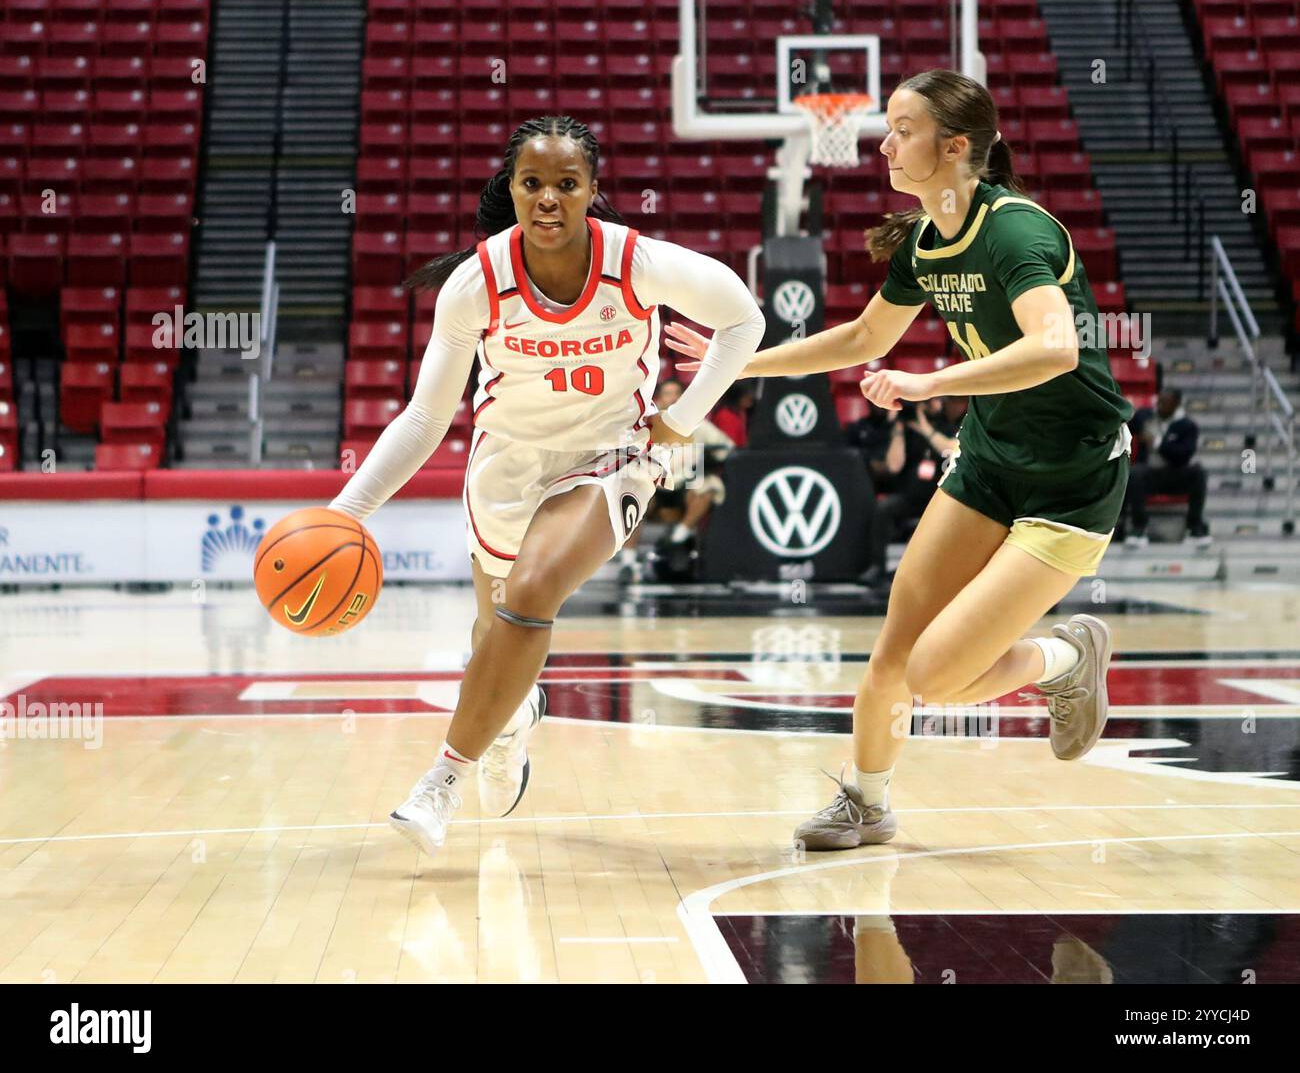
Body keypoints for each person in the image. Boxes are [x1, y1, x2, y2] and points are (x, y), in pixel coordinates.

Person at [667, 68, 1133, 851]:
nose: (884, 142)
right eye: (885, 125)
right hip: (990, 461)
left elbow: (1055, 349)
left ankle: (1065, 654)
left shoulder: (1018, 231)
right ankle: (867, 802)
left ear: (954, 148)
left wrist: (932, 381)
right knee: (895, 647)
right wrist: (733, 364)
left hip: (1073, 477)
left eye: (903, 129)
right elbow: (860, 340)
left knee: (936, 674)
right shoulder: (925, 241)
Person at [329, 116, 764, 857]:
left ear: (594, 191)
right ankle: (511, 720)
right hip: (506, 466)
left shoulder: (637, 261)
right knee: (494, 637)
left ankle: (442, 778)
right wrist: (347, 513)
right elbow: (427, 415)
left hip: (609, 457)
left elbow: (742, 320)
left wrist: (682, 420)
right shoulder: (477, 283)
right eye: (534, 184)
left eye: (568, 184)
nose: (550, 200)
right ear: (514, 189)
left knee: (530, 596)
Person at [620, 377, 734, 582]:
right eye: (668, 394)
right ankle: (628, 564)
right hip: (654, 487)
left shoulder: (699, 426)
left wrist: (708, 458)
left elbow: (727, 448)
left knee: (708, 485)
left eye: (677, 394)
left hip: (685, 485)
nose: (672, 398)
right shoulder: (645, 427)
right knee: (633, 495)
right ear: (659, 400)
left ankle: (675, 540)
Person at [848, 396, 962, 588]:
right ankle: (877, 566)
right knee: (884, 508)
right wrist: (899, 429)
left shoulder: (945, 426)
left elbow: (951, 450)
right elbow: (893, 466)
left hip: (939, 496)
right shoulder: (903, 430)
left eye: (932, 401)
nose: (931, 405)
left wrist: (925, 429)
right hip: (910, 494)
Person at [1121, 387, 1210, 547]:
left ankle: (1195, 526)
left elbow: (1183, 455)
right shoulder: (1145, 417)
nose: (1159, 405)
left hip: (1175, 474)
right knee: (1135, 473)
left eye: (1165, 403)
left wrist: (1156, 443)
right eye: (1159, 401)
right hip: (1150, 475)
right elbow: (1125, 426)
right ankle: (1139, 528)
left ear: (1176, 404)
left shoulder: (1187, 426)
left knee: (1199, 473)